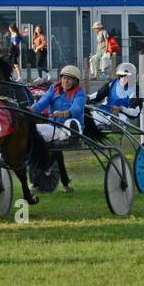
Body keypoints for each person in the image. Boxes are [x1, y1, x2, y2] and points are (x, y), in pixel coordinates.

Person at [31, 65, 87, 193]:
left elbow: (77, 108)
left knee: (68, 123)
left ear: (75, 82)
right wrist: (30, 110)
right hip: (54, 129)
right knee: (33, 129)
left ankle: (35, 183)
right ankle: (65, 184)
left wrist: (63, 113)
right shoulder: (53, 88)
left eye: (69, 79)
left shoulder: (79, 92)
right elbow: (41, 104)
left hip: (71, 128)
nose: (65, 82)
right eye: (64, 78)